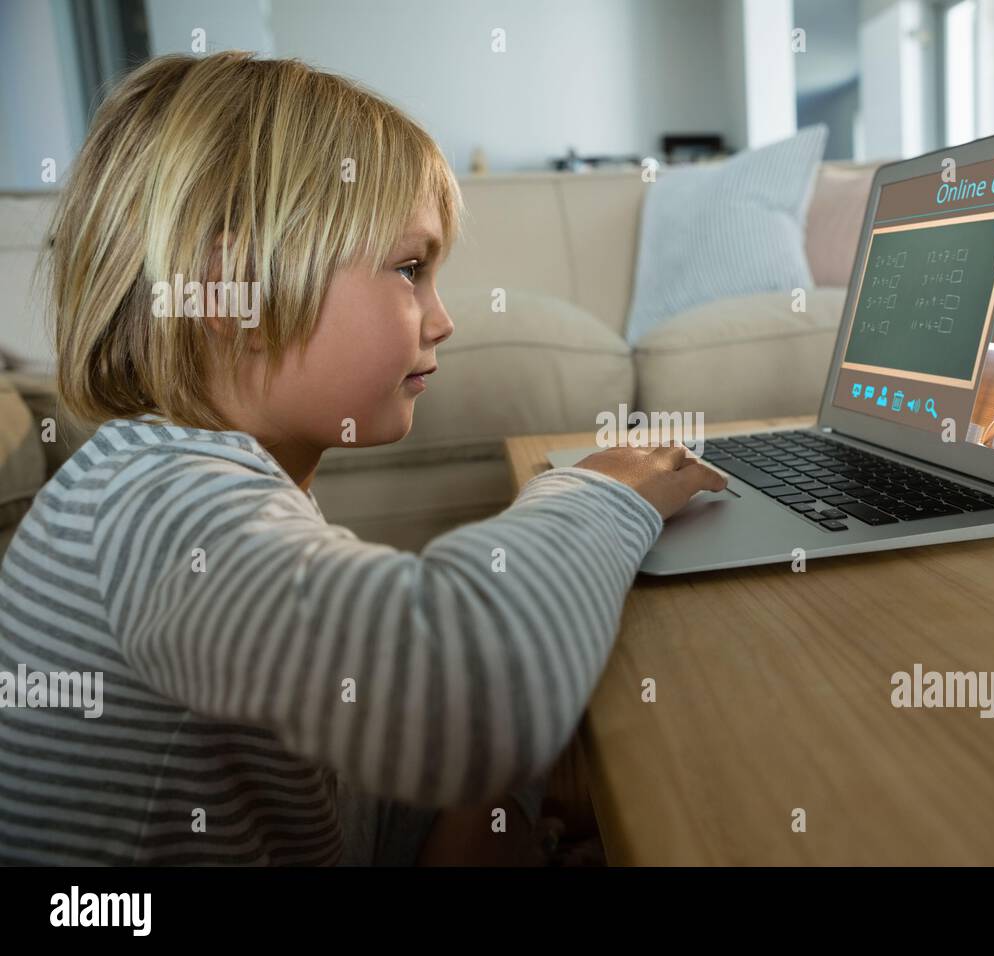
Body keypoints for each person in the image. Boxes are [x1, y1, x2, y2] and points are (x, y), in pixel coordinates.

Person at [0, 52, 724, 865]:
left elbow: (338, 794)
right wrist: (598, 492)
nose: (442, 318)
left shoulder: (198, 478)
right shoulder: (158, 504)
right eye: (410, 269)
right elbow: (471, 692)